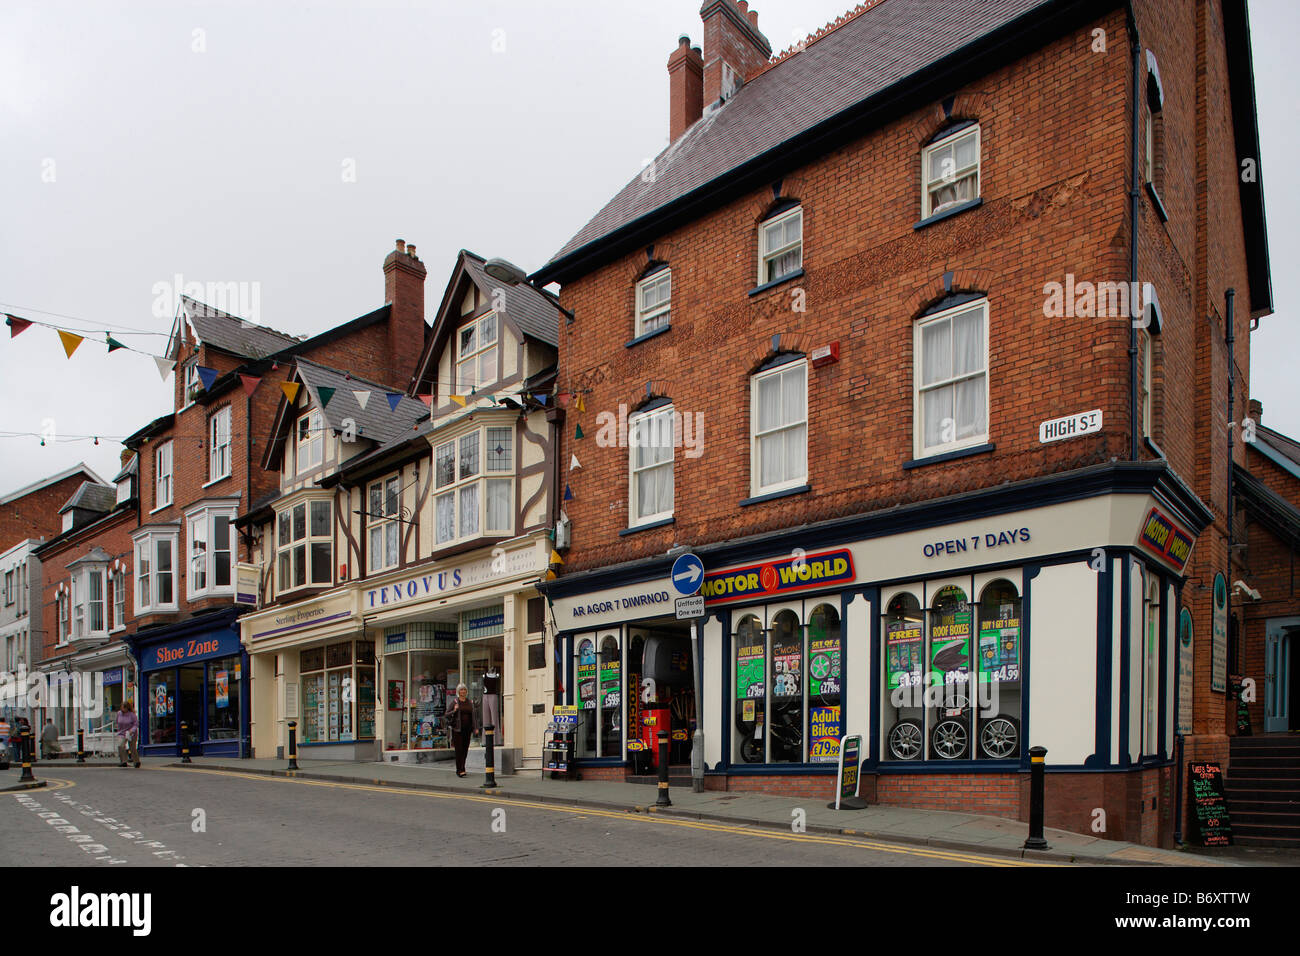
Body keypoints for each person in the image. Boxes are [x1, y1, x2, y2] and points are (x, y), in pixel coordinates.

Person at [446, 683, 477, 777]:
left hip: (467, 730)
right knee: (459, 750)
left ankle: (462, 767)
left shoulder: (469, 702)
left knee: (465, 750)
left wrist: (475, 728)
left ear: (466, 691)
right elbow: (446, 714)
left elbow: (474, 717)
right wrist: (454, 710)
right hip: (457, 730)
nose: (463, 691)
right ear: (458, 692)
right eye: (461, 690)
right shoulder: (455, 702)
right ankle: (459, 770)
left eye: (464, 690)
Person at [116, 700, 140, 768]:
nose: (122, 709)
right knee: (120, 745)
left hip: (131, 733)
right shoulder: (119, 713)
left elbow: (136, 724)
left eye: (124, 708)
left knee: (132, 748)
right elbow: (117, 721)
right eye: (122, 707)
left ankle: (136, 761)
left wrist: (131, 730)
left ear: (127, 708)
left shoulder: (132, 715)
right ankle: (123, 761)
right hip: (122, 733)